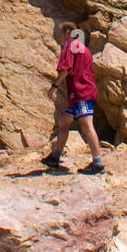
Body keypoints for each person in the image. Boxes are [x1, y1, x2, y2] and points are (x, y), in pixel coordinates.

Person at [42, 22, 104, 175]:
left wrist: (54, 86)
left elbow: (65, 69)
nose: (58, 37)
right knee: (64, 120)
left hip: (81, 92)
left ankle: (98, 163)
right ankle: (55, 157)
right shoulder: (85, 49)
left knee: (86, 125)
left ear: (68, 32)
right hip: (83, 92)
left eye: (60, 33)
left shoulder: (70, 46)